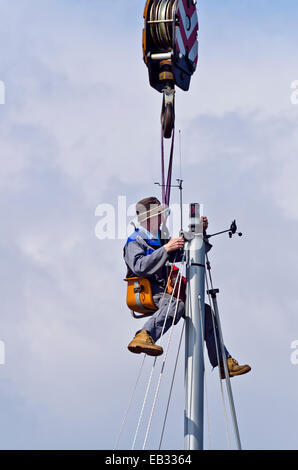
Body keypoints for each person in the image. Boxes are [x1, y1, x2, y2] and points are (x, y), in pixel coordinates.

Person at [123, 197, 251, 378]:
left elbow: (188, 255)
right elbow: (139, 267)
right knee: (176, 306)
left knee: (203, 311)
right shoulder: (135, 241)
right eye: (159, 215)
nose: (162, 218)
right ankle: (144, 335)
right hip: (147, 290)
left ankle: (223, 361)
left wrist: (200, 234)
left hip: (165, 290)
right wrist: (166, 249)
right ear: (148, 218)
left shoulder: (159, 239)